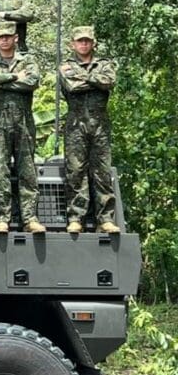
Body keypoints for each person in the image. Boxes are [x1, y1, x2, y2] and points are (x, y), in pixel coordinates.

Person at [0, 21, 45, 234]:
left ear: (16, 38)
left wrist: (3, 82)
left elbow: (32, 82)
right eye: (1, 37)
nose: (5, 39)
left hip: (23, 121)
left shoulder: (28, 60)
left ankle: (30, 218)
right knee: (0, 170)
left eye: (9, 36)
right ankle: (1, 218)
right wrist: (15, 77)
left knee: (27, 170)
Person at [59, 26, 120, 234]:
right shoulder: (66, 66)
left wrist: (84, 78)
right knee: (75, 172)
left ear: (93, 43)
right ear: (73, 44)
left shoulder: (105, 64)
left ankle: (106, 218)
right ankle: (76, 217)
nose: (84, 44)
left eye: (87, 41)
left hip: (100, 125)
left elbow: (109, 81)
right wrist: (94, 80)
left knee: (102, 172)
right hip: (76, 125)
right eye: (80, 41)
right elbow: (71, 86)